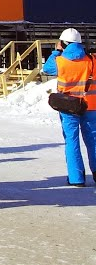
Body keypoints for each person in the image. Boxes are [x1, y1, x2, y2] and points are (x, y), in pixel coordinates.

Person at [42, 27, 96, 187]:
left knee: (72, 141)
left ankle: (76, 178)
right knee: (93, 141)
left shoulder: (59, 61)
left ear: (63, 44)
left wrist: (56, 51)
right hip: (91, 106)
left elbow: (47, 69)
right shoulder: (92, 60)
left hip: (68, 106)